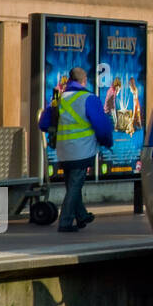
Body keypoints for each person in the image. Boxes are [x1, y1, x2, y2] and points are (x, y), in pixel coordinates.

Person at [38, 66, 113, 233]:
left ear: (69, 80)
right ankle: (65, 222)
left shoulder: (57, 98)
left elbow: (43, 124)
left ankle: (82, 215)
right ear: (84, 81)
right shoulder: (89, 98)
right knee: (75, 185)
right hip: (82, 149)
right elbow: (102, 127)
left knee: (72, 184)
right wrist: (107, 142)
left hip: (63, 151)